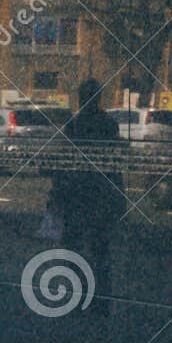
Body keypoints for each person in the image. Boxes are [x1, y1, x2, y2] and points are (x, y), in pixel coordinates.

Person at [47, 79, 124, 316]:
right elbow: (113, 164)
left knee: (74, 247)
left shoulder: (75, 125)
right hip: (99, 194)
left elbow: (67, 163)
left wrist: (58, 193)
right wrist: (119, 196)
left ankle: (78, 297)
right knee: (100, 249)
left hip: (77, 194)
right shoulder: (108, 124)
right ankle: (100, 300)